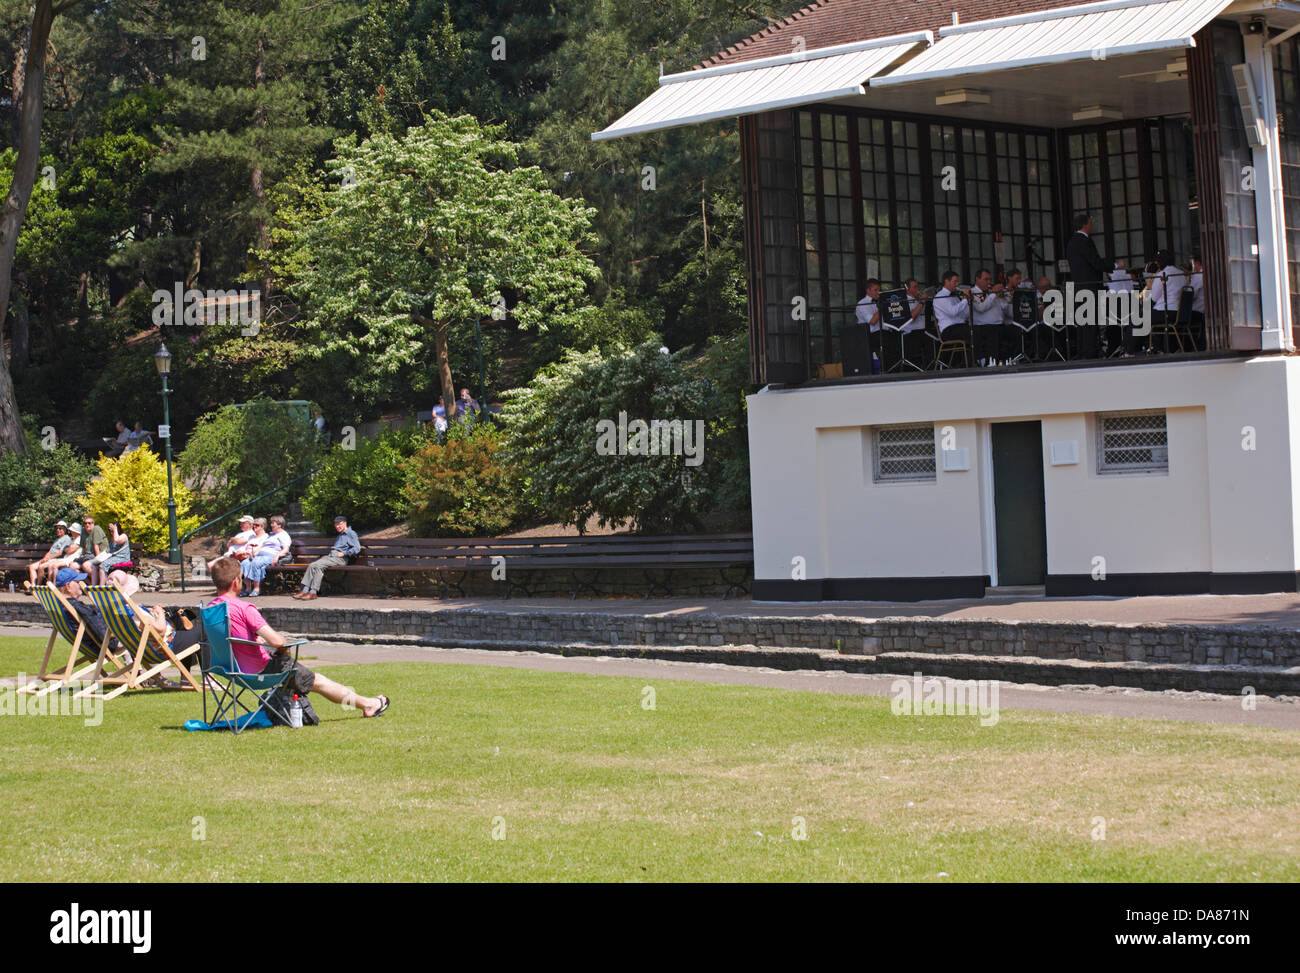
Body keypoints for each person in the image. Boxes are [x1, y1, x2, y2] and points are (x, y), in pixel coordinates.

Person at [210, 556, 389, 716]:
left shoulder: (210, 609)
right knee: (317, 681)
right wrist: (279, 643)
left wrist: (255, 640)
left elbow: (228, 638)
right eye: (241, 578)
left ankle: (282, 703)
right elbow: (278, 641)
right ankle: (368, 704)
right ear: (235, 582)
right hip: (259, 672)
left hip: (230, 670)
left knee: (284, 659)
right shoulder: (243, 608)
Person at [1066, 213, 1115, 358]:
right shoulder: (1084, 241)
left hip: (1079, 286)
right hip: (1090, 286)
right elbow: (1095, 262)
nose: (1092, 225)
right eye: (1090, 222)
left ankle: (1084, 350)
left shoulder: (1072, 242)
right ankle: (1090, 351)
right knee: (1090, 320)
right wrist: (1113, 265)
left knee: (1083, 321)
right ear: (1085, 225)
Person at [294, 516, 360, 600]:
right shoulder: (340, 535)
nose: (337, 526)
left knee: (318, 566)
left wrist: (344, 553)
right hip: (332, 556)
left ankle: (313, 592)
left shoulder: (351, 533)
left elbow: (357, 548)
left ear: (345, 523)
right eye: (335, 525)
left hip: (341, 559)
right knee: (312, 565)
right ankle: (305, 591)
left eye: (339, 524)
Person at [241, 516, 292, 597]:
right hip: (260, 555)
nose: (271, 525)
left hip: (271, 556)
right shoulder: (271, 535)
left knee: (256, 563)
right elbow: (262, 546)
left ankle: (257, 589)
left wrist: (277, 556)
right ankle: (248, 588)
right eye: (271, 523)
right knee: (245, 563)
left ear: (279, 525)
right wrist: (254, 553)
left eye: (273, 523)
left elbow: (286, 549)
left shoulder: (283, 535)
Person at [1149, 249, 1188, 354]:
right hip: (1179, 312)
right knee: (1152, 318)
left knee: (1139, 319)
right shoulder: (1181, 274)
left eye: (1157, 261)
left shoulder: (1162, 274)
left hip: (1165, 311)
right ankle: (1169, 347)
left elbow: (1154, 297)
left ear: (1160, 262)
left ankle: (1155, 348)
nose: (1156, 264)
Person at [969, 268, 1005, 366]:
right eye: (986, 279)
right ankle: (990, 363)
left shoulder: (989, 292)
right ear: (977, 279)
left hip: (998, 325)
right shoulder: (972, 292)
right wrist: (993, 294)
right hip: (983, 326)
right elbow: (980, 308)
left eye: (990, 279)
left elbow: (1003, 307)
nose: (989, 282)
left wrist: (1004, 296)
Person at [25, 521, 75, 591]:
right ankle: (33, 585)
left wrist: (49, 558)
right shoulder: (56, 539)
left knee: (41, 567)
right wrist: (45, 558)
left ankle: (38, 586)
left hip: (56, 560)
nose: (58, 530)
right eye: (57, 528)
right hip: (49, 559)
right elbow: (50, 551)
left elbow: (60, 553)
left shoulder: (66, 539)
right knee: (32, 567)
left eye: (60, 528)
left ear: (65, 529)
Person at [932, 271, 970, 354]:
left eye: (957, 281)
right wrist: (965, 299)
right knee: (973, 332)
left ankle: (979, 360)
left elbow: (965, 315)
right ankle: (973, 361)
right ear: (946, 281)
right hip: (949, 330)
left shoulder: (954, 296)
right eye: (955, 281)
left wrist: (969, 302)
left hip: (959, 326)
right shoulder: (940, 296)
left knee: (979, 329)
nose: (957, 284)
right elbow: (953, 312)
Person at [855, 278, 883, 369]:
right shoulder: (862, 304)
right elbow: (872, 321)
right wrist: (882, 307)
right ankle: (884, 368)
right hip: (870, 335)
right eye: (876, 290)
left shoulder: (878, 302)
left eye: (879, 290)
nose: (878, 292)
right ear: (868, 290)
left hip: (882, 332)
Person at [1188, 251, 1206, 351]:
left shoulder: (1198, 276)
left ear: (1197, 264)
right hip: (1203, 310)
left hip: (1197, 311)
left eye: (1193, 264)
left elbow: (1191, 295)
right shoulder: (1205, 274)